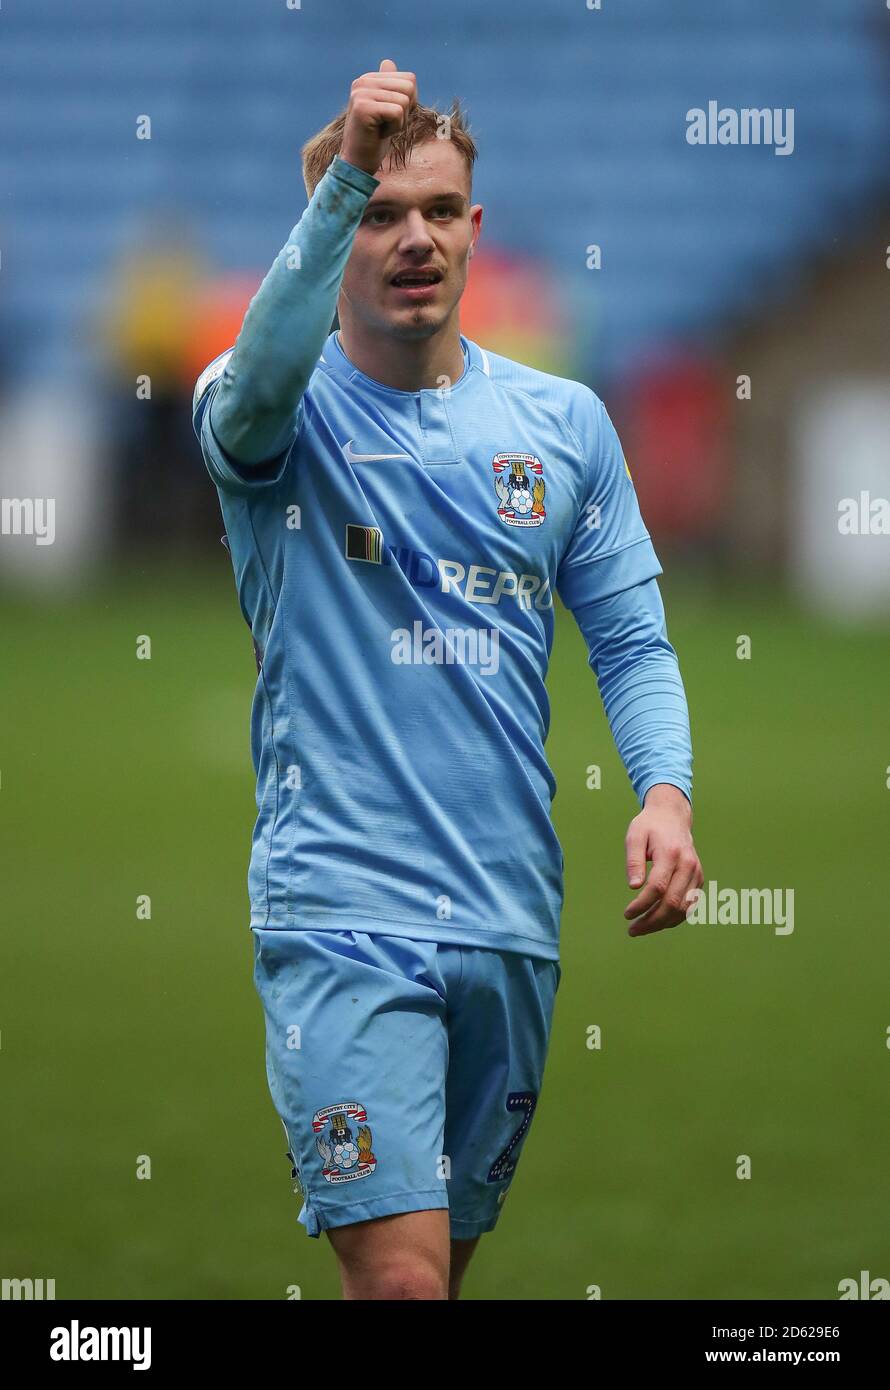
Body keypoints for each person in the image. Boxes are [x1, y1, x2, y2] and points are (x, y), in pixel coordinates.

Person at [191, 60, 703, 1301]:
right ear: (329, 235)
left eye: (435, 210)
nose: (411, 237)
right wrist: (338, 174)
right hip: (340, 913)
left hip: (507, 919)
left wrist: (664, 794)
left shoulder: (565, 426)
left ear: (475, 228)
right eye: (375, 211)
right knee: (403, 1287)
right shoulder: (271, 414)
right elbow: (257, 381)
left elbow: (629, 639)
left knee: (435, 1288)